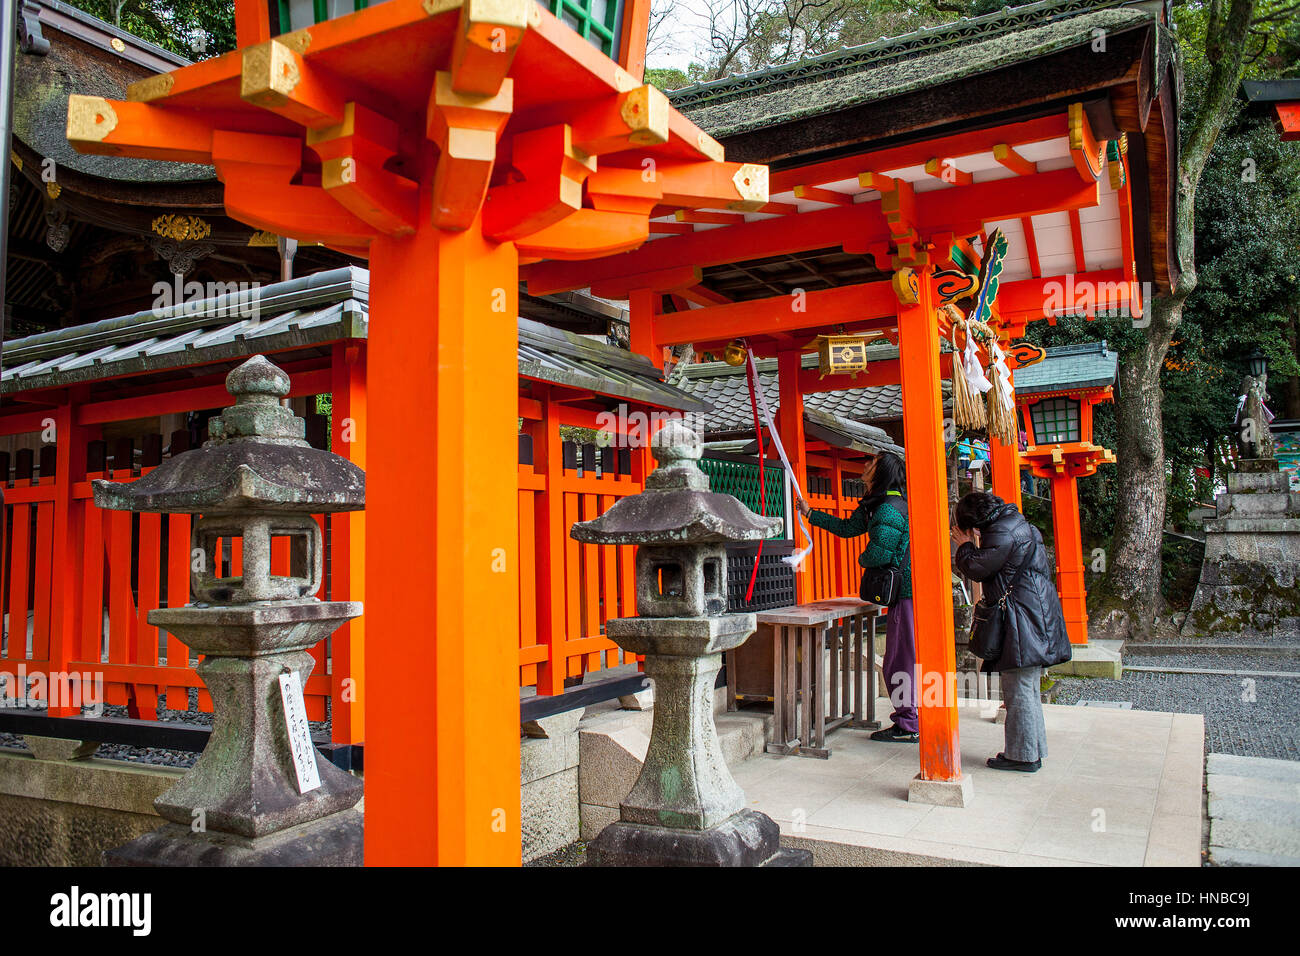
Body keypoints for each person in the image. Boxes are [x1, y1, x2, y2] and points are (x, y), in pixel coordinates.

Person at [796, 453, 917, 743]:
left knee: (900, 660)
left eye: (870, 463)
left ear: (881, 472)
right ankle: (910, 717)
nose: (864, 465)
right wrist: (810, 513)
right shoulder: (880, 504)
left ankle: (908, 723)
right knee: (903, 658)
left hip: (906, 595)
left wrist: (864, 560)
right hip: (907, 593)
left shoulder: (887, 510)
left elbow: (880, 553)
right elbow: (848, 529)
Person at [952, 491, 1071, 771]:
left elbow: (977, 568)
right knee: (1027, 689)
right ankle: (1032, 749)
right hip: (1035, 613)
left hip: (1022, 620)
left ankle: (1022, 756)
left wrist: (965, 545)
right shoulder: (1016, 523)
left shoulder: (1002, 532)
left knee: (1017, 690)